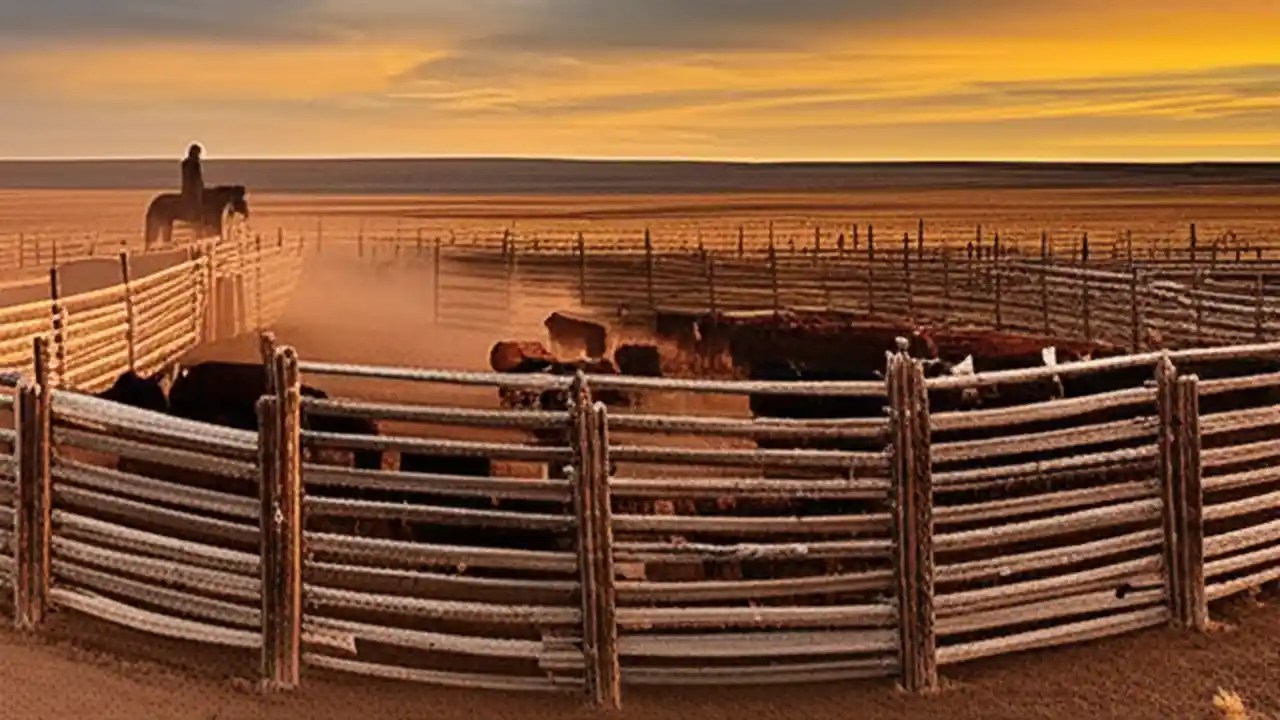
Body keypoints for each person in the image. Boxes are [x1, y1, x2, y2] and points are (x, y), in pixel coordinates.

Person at [181, 143, 205, 225]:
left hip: (186, 188)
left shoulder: (185, 163)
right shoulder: (194, 163)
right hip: (193, 190)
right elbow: (197, 178)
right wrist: (200, 187)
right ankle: (198, 220)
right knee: (199, 204)